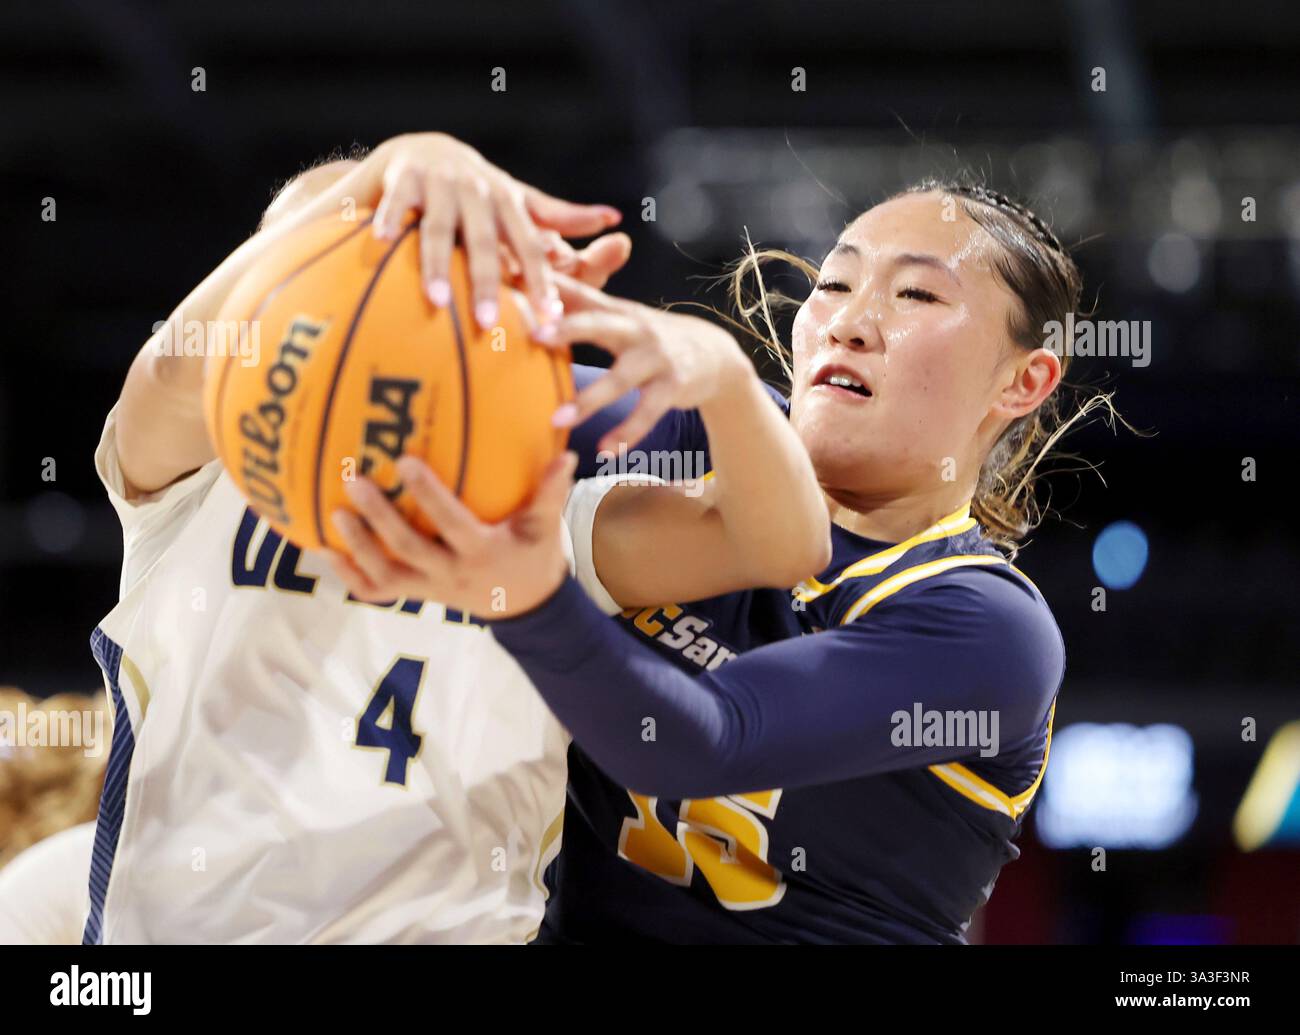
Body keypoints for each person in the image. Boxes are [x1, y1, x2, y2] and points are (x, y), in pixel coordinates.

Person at [84, 132, 827, 943]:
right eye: (333, 257)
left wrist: (720, 376)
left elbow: (780, 543)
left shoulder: (542, 515)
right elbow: (175, 365)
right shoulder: (198, 476)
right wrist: (386, 174)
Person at [327, 180, 1113, 943]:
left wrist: (523, 592)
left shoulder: (988, 625)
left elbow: (702, 739)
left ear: (1024, 379)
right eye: (834, 282)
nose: (850, 321)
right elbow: (418, 397)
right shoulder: (701, 437)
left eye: (915, 297)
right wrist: (386, 193)